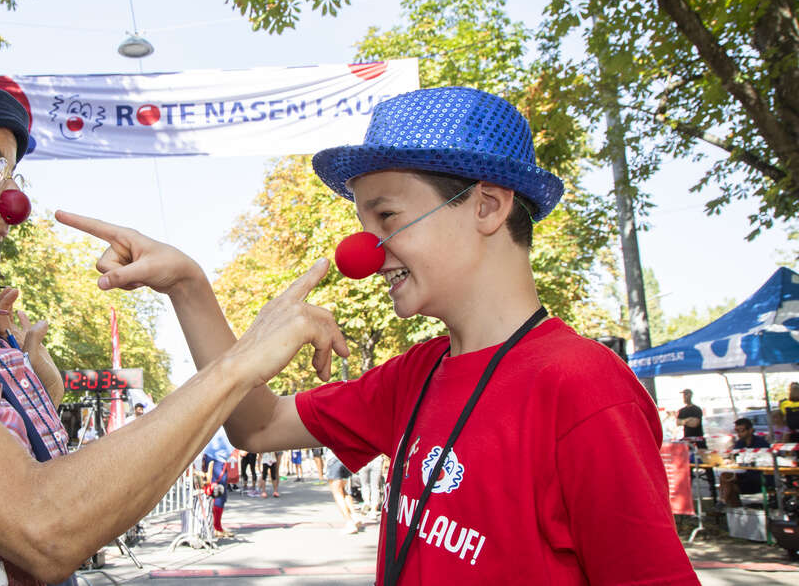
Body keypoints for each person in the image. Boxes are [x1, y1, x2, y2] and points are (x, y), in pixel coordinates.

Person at [0, 65, 346, 586]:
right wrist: (238, 362)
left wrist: (37, 394)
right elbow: (42, 524)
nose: (13, 200)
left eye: (10, 170)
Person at [216, 87, 698, 584]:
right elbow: (257, 426)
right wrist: (189, 288)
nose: (364, 254)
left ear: (486, 206)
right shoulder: (414, 374)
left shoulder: (582, 386)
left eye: (386, 217)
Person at [719, 418, 772, 508]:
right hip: (744, 476)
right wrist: (730, 460)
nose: (739, 434)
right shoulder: (739, 443)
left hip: (760, 477)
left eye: (742, 430)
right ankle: (730, 507)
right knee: (726, 477)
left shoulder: (761, 443)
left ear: (750, 430)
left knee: (729, 484)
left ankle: (725, 504)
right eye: (737, 431)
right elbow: (735, 459)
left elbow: (766, 460)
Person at [201, 427, 235, 538]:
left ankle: (215, 526)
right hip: (217, 459)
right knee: (217, 493)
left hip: (214, 456)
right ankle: (214, 528)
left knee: (218, 494)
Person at [325, 450, 361, 534]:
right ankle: (354, 515)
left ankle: (349, 522)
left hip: (333, 459)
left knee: (337, 493)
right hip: (345, 458)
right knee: (344, 490)